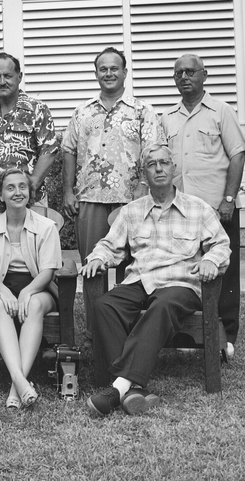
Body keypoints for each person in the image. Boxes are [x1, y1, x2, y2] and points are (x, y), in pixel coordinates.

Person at [80, 144, 230, 417]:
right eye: (152, 164)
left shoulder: (198, 209)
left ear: (174, 168)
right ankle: (135, 388)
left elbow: (221, 245)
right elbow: (109, 245)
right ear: (143, 173)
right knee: (105, 305)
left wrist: (210, 260)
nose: (159, 169)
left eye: (164, 163)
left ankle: (117, 388)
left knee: (161, 307)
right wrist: (97, 258)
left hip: (180, 283)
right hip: (140, 280)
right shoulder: (131, 211)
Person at [62, 46, 165, 340]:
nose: (109, 74)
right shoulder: (82, 111)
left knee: (129, 268)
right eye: (103, 69)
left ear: (125, 72)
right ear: (96, 74)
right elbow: (68, 151)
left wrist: (143, 191)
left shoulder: (142, 111)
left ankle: (127, 331)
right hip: (90, 198)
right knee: (93, 268)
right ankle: (97, 331)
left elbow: (152, 153)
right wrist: (69, 191)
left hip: (130, 201)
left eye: (114, 68)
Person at [162, 54, 245, 359]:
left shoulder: (220, 111)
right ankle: (192, 331)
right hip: (182, 212)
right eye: (178, 73)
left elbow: (238, 154)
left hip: (216, 207)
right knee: (186, 270)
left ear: (204, 75)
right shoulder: (167, 117)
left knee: (224, 271)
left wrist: (228, 199)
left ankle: (226, 338)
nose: (184, 77)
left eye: (190, 72)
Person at [0, 168, 61, 409]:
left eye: (22, 187)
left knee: (34, 304)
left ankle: (16, 386)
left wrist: (27, 291)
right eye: (10, 188)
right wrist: (4, 292)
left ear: (30, 192)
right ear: (0, 196)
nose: (17, 192)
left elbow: (48, 271)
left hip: (38, 287)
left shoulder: (46, 227)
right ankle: (21, 383)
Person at [0, 52, 59, 212]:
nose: (2, 82)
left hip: (28, 200)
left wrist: (31, 186)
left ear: (19, 77)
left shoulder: (37, 109)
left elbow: (49, 151)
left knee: (32, 237)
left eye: (7, 76)